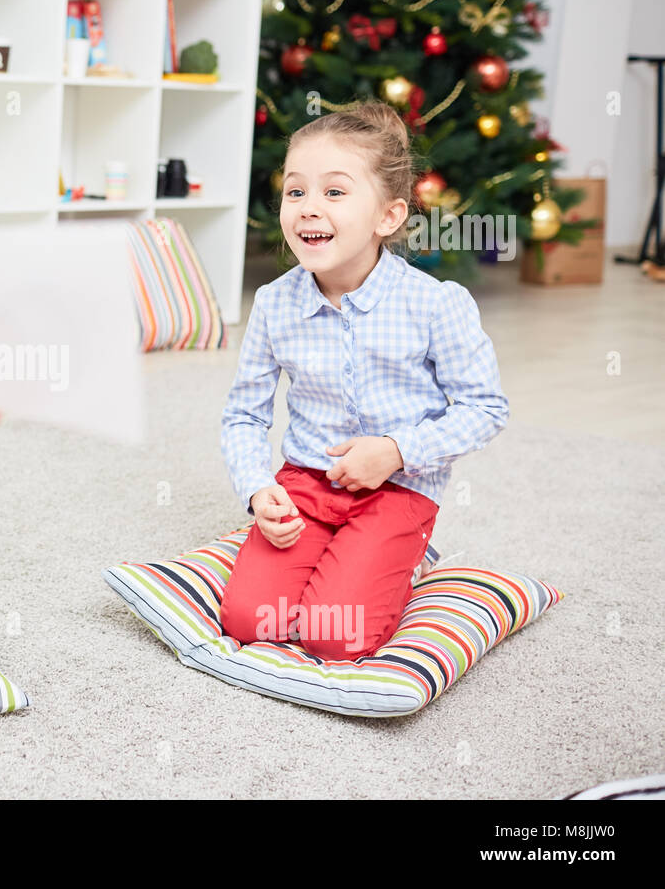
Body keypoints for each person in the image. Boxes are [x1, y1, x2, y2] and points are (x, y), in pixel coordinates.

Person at [218, 100, 509, 661]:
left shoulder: (436, 304)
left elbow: (485, 408)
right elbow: (245, 414)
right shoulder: (274, 303)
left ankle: (403, 553)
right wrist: (258, 490)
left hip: (397, 489)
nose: (307, 208)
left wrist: (398, 451)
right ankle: (348, 552)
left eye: (334, 192)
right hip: (307, 481)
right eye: (295, 191)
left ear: (388, 217)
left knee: (336, 636)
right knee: (250, 621)